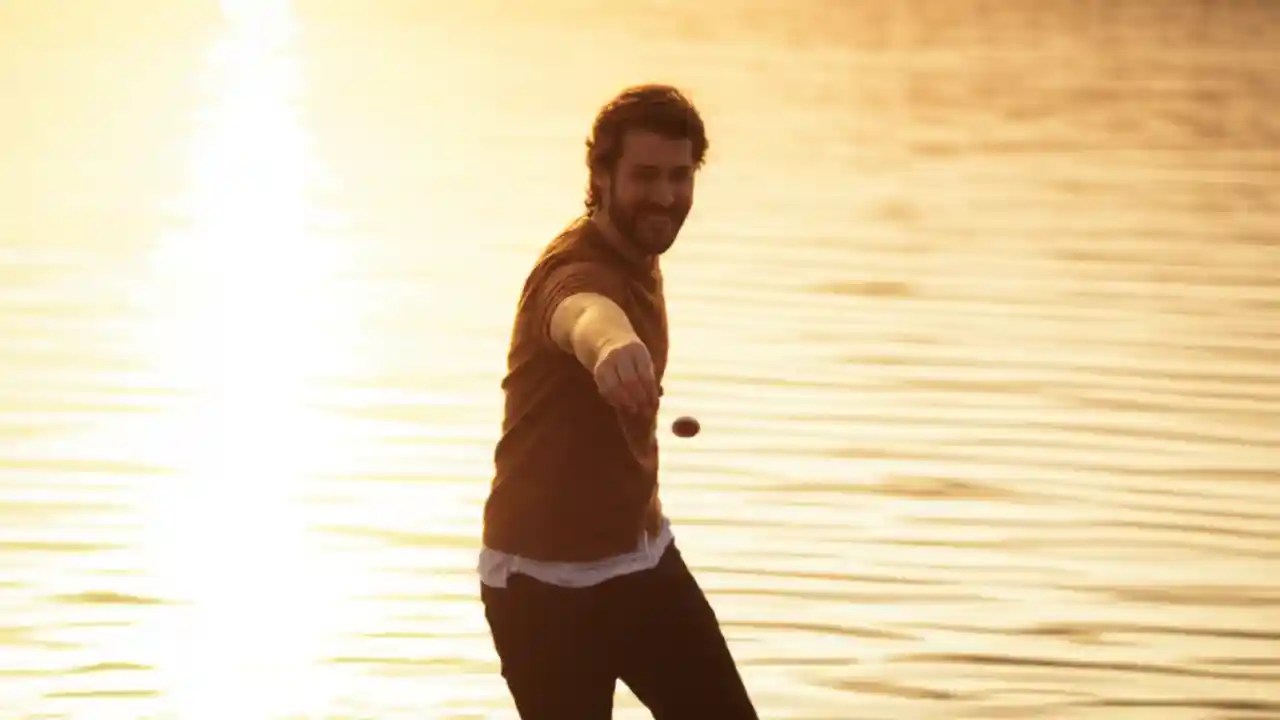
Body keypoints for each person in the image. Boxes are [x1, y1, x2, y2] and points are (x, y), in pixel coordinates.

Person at [478, 84, 759, 719]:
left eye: (680, 176)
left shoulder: (638, 252)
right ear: (601, 177)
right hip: (542, 587)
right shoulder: (574, 268)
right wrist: (611, 346)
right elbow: (581, 312)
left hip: (642, 563)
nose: (665, 195)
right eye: (645, 176)